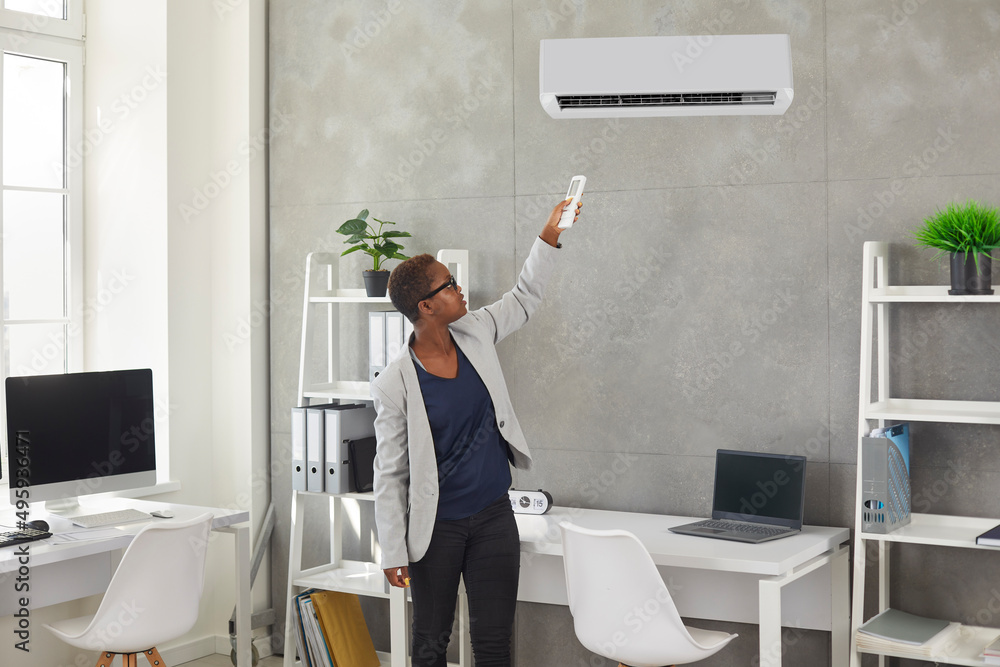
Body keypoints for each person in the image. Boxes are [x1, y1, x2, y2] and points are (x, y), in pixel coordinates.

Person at [371, 198, 582, 667]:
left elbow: (523, 298)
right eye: (448, 285)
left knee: (493, 643)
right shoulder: (394, 383)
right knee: (430, 644)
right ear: (426, 305)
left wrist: (550, 234)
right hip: (437, 529)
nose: (458, 288)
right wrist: (392, 550)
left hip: (492, 517)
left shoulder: (475, 333)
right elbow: (390, 474)